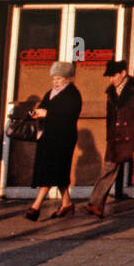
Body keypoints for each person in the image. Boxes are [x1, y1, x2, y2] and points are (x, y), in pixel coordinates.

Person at [87, 60, 134, 218]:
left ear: (123, 74)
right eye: (109, 76)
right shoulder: (110, 91)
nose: (111, 79)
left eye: (114, 75)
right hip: (116, 138)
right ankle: (95, 204)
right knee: (108, 169)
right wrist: (109, 136)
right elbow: (110, 118)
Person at [25, 62, 82, 222]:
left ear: (67, 79)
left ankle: (36, 206)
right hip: (48, 137)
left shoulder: (73, 95)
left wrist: (47, 114)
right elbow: (44, 107)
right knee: (58, 172)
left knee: (51, 171)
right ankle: (67, 203)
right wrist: (36, 113)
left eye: (59, 78)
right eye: (54, 78)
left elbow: (68, 116)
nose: (55, 82)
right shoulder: (50, 93)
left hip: (63, 138)